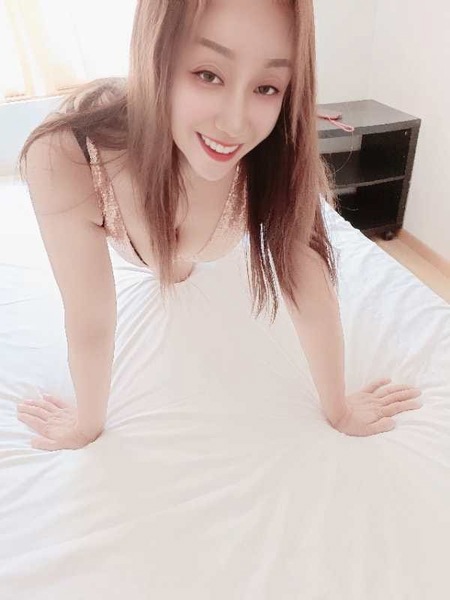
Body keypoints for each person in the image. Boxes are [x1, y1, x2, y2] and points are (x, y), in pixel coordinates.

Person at [16, 0, 421, 452]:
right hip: (122, 150)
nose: (234, 123)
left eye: (266, 87)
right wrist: (86, 425)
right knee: (168, 264)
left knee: (177, 265)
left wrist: (340, 409)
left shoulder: (275, 155)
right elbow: (89, 316)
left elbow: (310, 287)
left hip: (169, 198)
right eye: (207, 74)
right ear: (155, 54)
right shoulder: (66, 157)